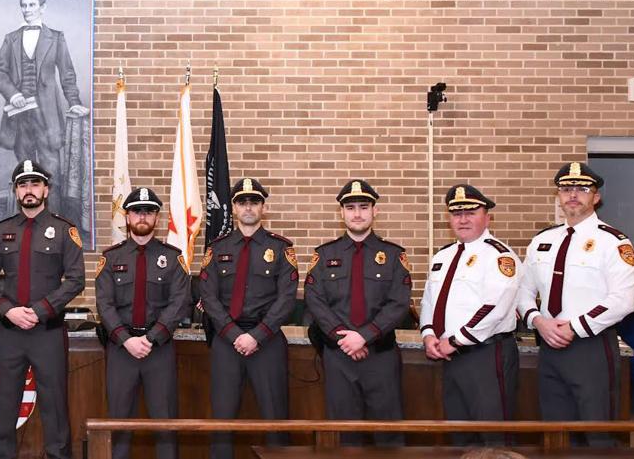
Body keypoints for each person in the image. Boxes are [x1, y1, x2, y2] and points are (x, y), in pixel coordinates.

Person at [515, 162, 634, 446]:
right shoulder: (542, 240)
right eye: (566, 188)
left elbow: (623, 300)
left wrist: (574, 327)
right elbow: (523, 291)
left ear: (596, 197)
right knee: (554, 431)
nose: (573, 195)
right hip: (547, 346)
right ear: (558, 195)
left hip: (591, 347)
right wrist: (537, 320)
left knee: (598, 433)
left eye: (582, 189)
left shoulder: (614, 242)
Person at [0, 160, 85, 459]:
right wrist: (8, 311)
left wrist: (39, 310)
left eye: (35, 184)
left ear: (46, 190)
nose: (29, 190)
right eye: (23, 185)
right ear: (16, 191)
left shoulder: (65, 230)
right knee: (4, 406)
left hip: (47, 333)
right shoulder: (1, 231)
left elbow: (76, 280)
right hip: (10, 333)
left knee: (54, 407)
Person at [303, 179, 411, 446]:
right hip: (339, 356)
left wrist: (364, 336)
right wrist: (345, 338)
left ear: (375, 211)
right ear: (341, 213)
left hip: (380, 356)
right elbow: (315, 300)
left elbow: (398, 303)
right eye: (351, 208)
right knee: (344, 432)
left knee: (389, 432)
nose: (358, 213)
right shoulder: (325, 255)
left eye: (364, 206)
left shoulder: (393, 255)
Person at [196, 178, 296, 459]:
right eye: (242, 202)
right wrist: (233, 333)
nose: (248, 207)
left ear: (263, 207)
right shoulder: (217, 248)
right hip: (227, 341)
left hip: (268, 340)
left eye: (254, 201)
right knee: (222, 420)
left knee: (276, 419)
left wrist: (256, 335)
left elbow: (286, 299)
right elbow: (209, 296)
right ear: (234, 208)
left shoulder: (280, 248)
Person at [420, 185, 520, 446]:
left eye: (470, 212)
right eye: (456, 213)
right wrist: (428, 334)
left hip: (486, 355)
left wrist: (455, 340)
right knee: (459, 432)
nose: (462, 219)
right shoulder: (442, 256)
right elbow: (429, 300)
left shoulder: (499, 255)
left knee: (493, 433)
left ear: (487, 217)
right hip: (450, 357)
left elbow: (494, 307)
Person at [94, 187, 188, 459]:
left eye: (149, 211)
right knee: (119, 423)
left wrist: (150, 338)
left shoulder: (173, 257)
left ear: (157, 218)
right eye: (137, 211)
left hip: (159, 349)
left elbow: (179, 302)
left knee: (165, 423)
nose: (142, 217)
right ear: (127, 217)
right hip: (121, 350)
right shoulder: (111, 258)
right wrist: (126, 339)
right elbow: (105, 305)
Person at [0, 0, 88, 217]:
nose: (27, 10)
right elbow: (0, 73)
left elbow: (67, 74)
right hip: (19, 118)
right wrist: (13, 94)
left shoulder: (56, 37)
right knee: (24, 174)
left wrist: (73, 101)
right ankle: (24, 227)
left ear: (42, 8)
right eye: (24, 5)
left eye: (32, 5)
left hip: (48, 119)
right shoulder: (11, 38)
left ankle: (53, 226)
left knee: (50, 172)